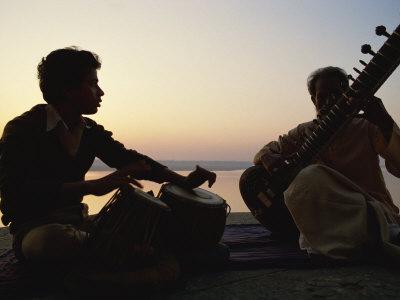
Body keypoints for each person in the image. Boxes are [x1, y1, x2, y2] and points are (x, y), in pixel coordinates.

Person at [0, 47, 217, 265]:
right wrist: (91, 187)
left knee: (155, 218)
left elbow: (128, 159)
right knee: (51, 242)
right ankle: (123, 250)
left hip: (80, 222)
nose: (101, 92)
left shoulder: (90, 131)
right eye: (93, 84)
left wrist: (183, 180)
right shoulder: (22, 129)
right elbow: (16, 191)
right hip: (36, 230)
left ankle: (112, 248)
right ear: (68, 89)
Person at [241, 66, 400, 260]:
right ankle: (349, 235)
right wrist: (267, 158)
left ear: (347, 95)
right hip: (323, 215)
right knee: (253, 178)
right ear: (313, 99)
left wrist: (384, 121)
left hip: (367, 208)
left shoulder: (367, 126)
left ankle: (375, 231)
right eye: (322, 96)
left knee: (310, 175)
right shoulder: (305, 132)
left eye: (336, 95)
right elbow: (266, 151)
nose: (329, 101)